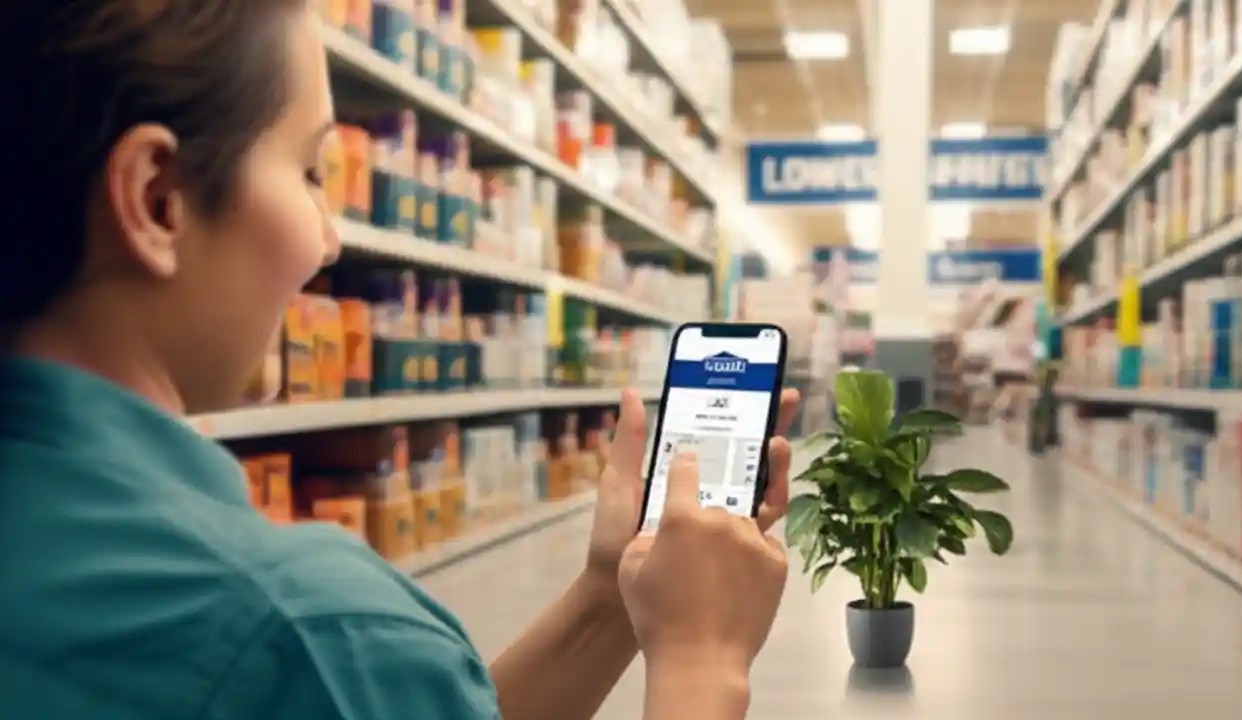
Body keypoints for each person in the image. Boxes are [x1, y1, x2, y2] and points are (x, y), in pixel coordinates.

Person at [0, 3, 800, 719]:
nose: (330, 237)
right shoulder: (299, 630)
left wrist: (608, 598)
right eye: (311, 170)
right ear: (157, 200)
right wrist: (702, 663)